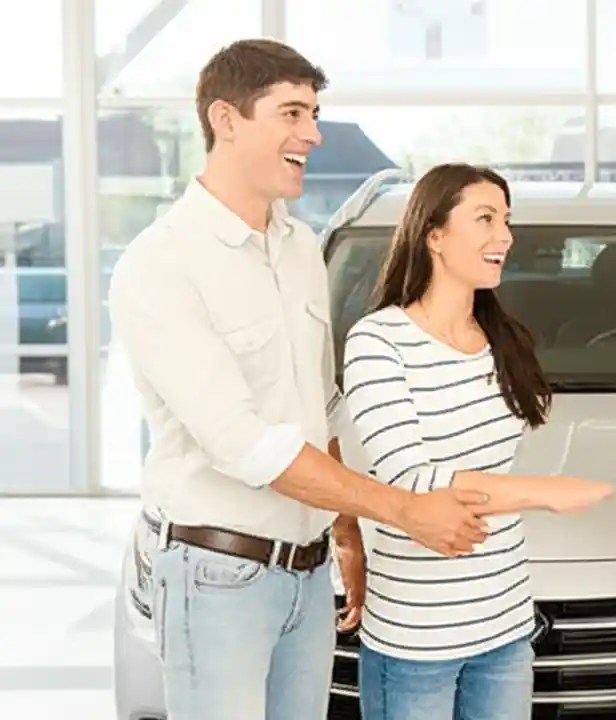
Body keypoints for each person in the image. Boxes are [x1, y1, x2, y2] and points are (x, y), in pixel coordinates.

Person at [108, 40, 495, 719]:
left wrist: (346, 533)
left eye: (313, 113)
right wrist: (403, 511)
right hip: (217, 575)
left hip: (307, 573)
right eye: (292, 113)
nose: (312, 134)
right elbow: (246, 446)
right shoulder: (161, 264)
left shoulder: (297, 249)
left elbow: (321, 409)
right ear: (226, 119)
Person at [337, 163, 613, 720]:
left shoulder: (501, 340)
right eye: (485, 218)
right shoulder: (379, 341)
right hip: (416, 634)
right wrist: (547, 491)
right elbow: (413, 481)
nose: (505, 236)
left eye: (506, 220)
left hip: (505, 625)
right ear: (433, 234)